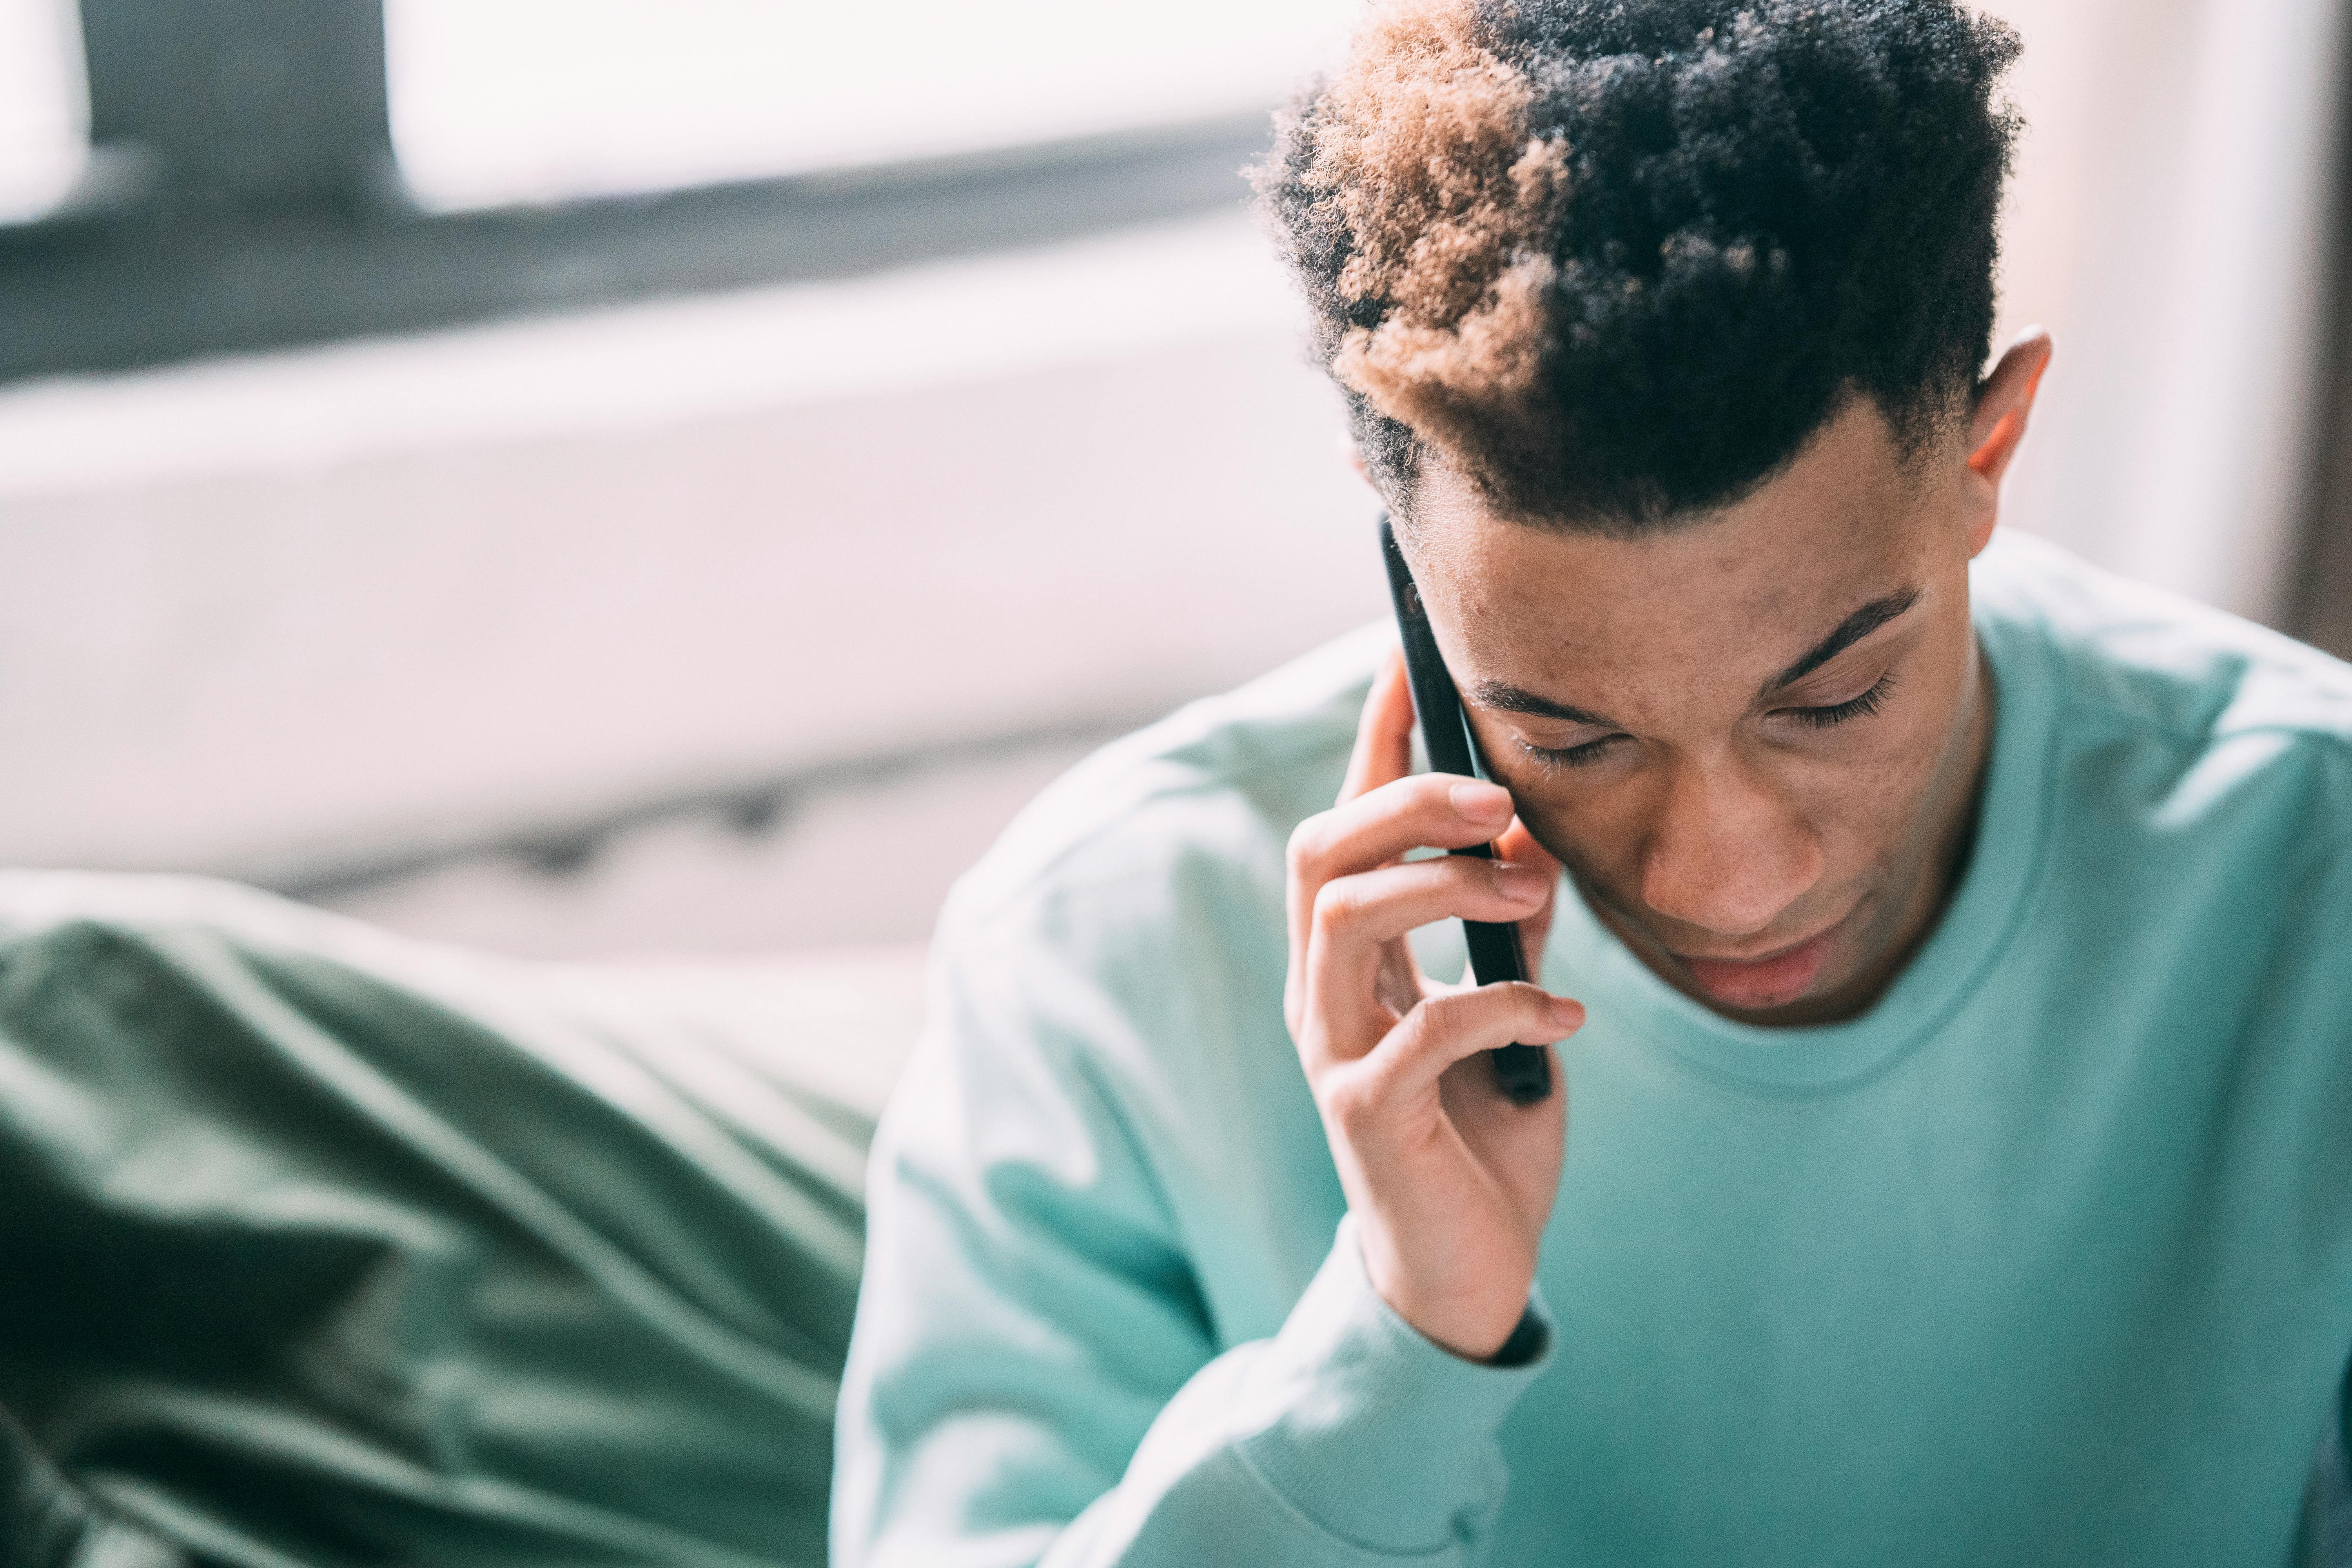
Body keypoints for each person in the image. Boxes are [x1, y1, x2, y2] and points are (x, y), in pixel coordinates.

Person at [830, 1, 2352, 1563]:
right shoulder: (1103, 957)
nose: (1727, 881)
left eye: (1833, 696)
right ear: (1399, 539)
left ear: (1990, 448)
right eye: (1567, 738)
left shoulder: (2317, 862)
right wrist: (1398, 1351)